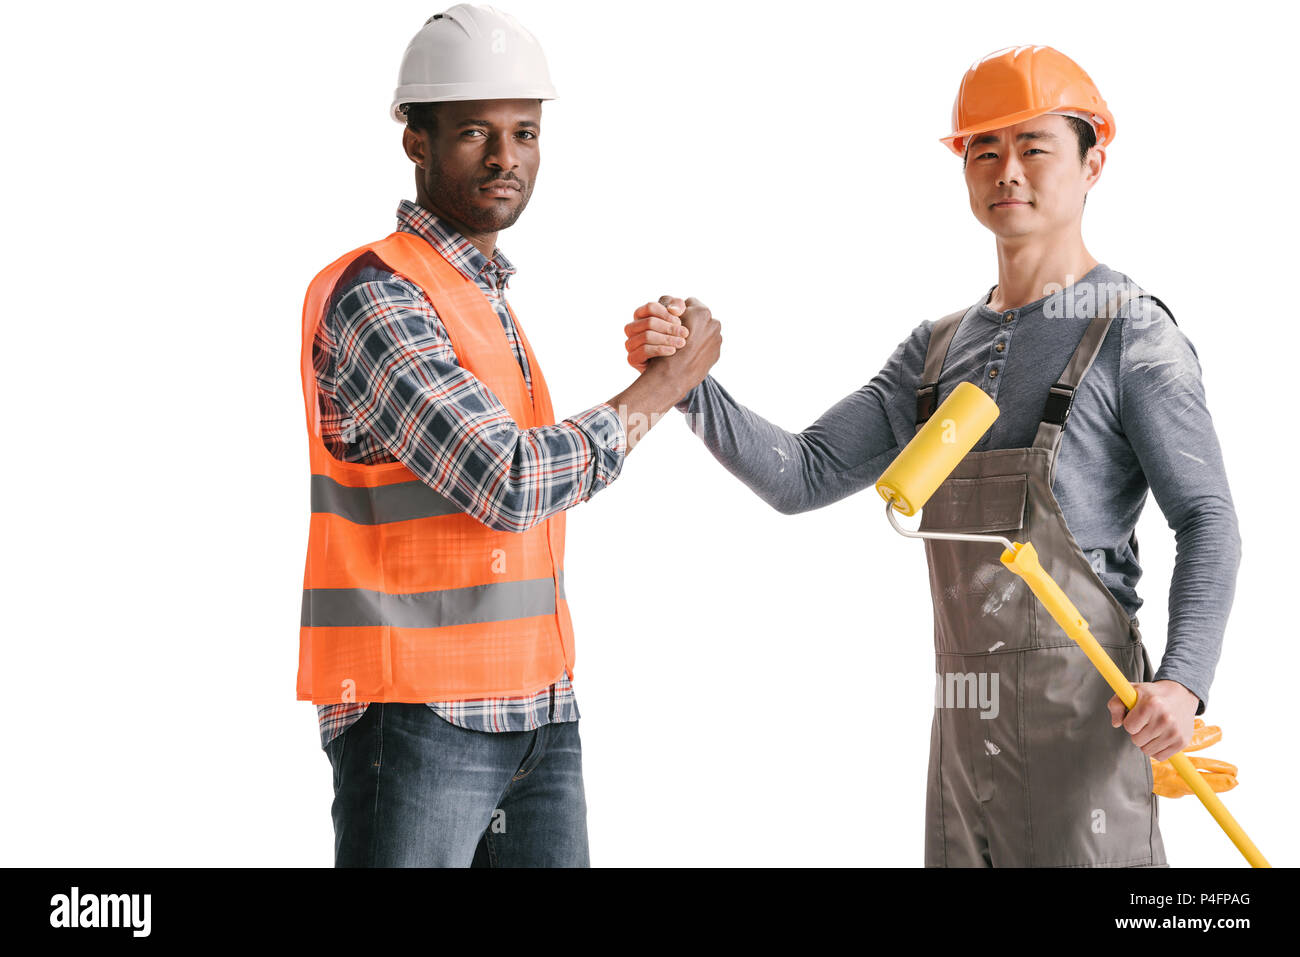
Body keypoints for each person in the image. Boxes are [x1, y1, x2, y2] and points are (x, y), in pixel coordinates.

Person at [626, 45, 1241, 866]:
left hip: (1088, 731)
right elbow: (801, 474)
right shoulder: (937, 352)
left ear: (1094, 161)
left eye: (1034, 147)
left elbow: (1207, 517)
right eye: (984, 149)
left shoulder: (1131, 333)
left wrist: (1184, 680)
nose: (1007, 171)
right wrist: (685, 381)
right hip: (964, 737)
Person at [298, 4, 720, 867]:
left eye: (525, 131)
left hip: (538, 711)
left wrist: (653, 373)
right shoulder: (377, 293)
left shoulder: (485, 296)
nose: (506, 157)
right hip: (416, 714)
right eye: (473, 133)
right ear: (415, 140)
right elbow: (511, 482)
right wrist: (661, 387)